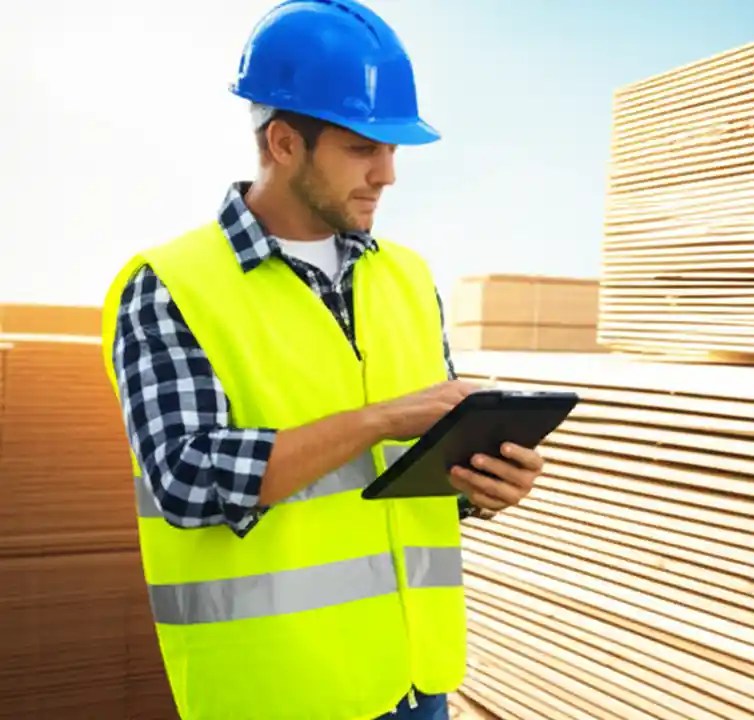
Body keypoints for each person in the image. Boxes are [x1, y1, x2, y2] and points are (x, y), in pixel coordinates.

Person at [99, 1, 543, 718]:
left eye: (393, 151)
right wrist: (378, 418)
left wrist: (479, 484)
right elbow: (185, 479)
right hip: (280, 691)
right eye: (363, 148)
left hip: (414, 677)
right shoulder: (171, 283)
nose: (388, 174)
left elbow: (402, 478)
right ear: (282, 143)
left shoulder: (405, 276)